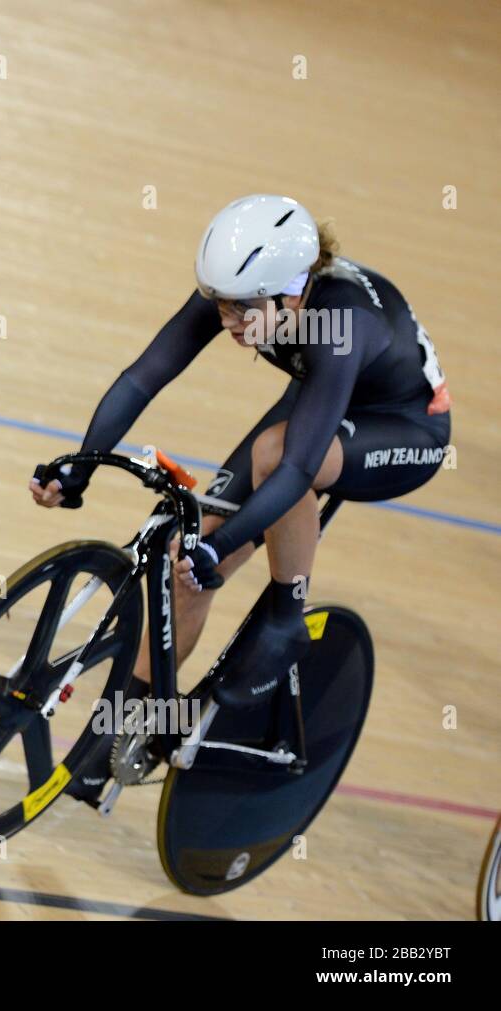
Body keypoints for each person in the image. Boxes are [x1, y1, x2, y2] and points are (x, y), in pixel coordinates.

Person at [32, 194, 451, 793]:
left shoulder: (339, 322)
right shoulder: (248, 289)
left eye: (242, 310)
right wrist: (80, 464)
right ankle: (122, 732)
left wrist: (226, 540)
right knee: (189, 559)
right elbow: (143, 375)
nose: (228, 321)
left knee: (274, 458)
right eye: (220, 305)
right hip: (322, 397)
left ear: (293, 292)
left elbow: (298, 463)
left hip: (403, 425)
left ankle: (286, 618)